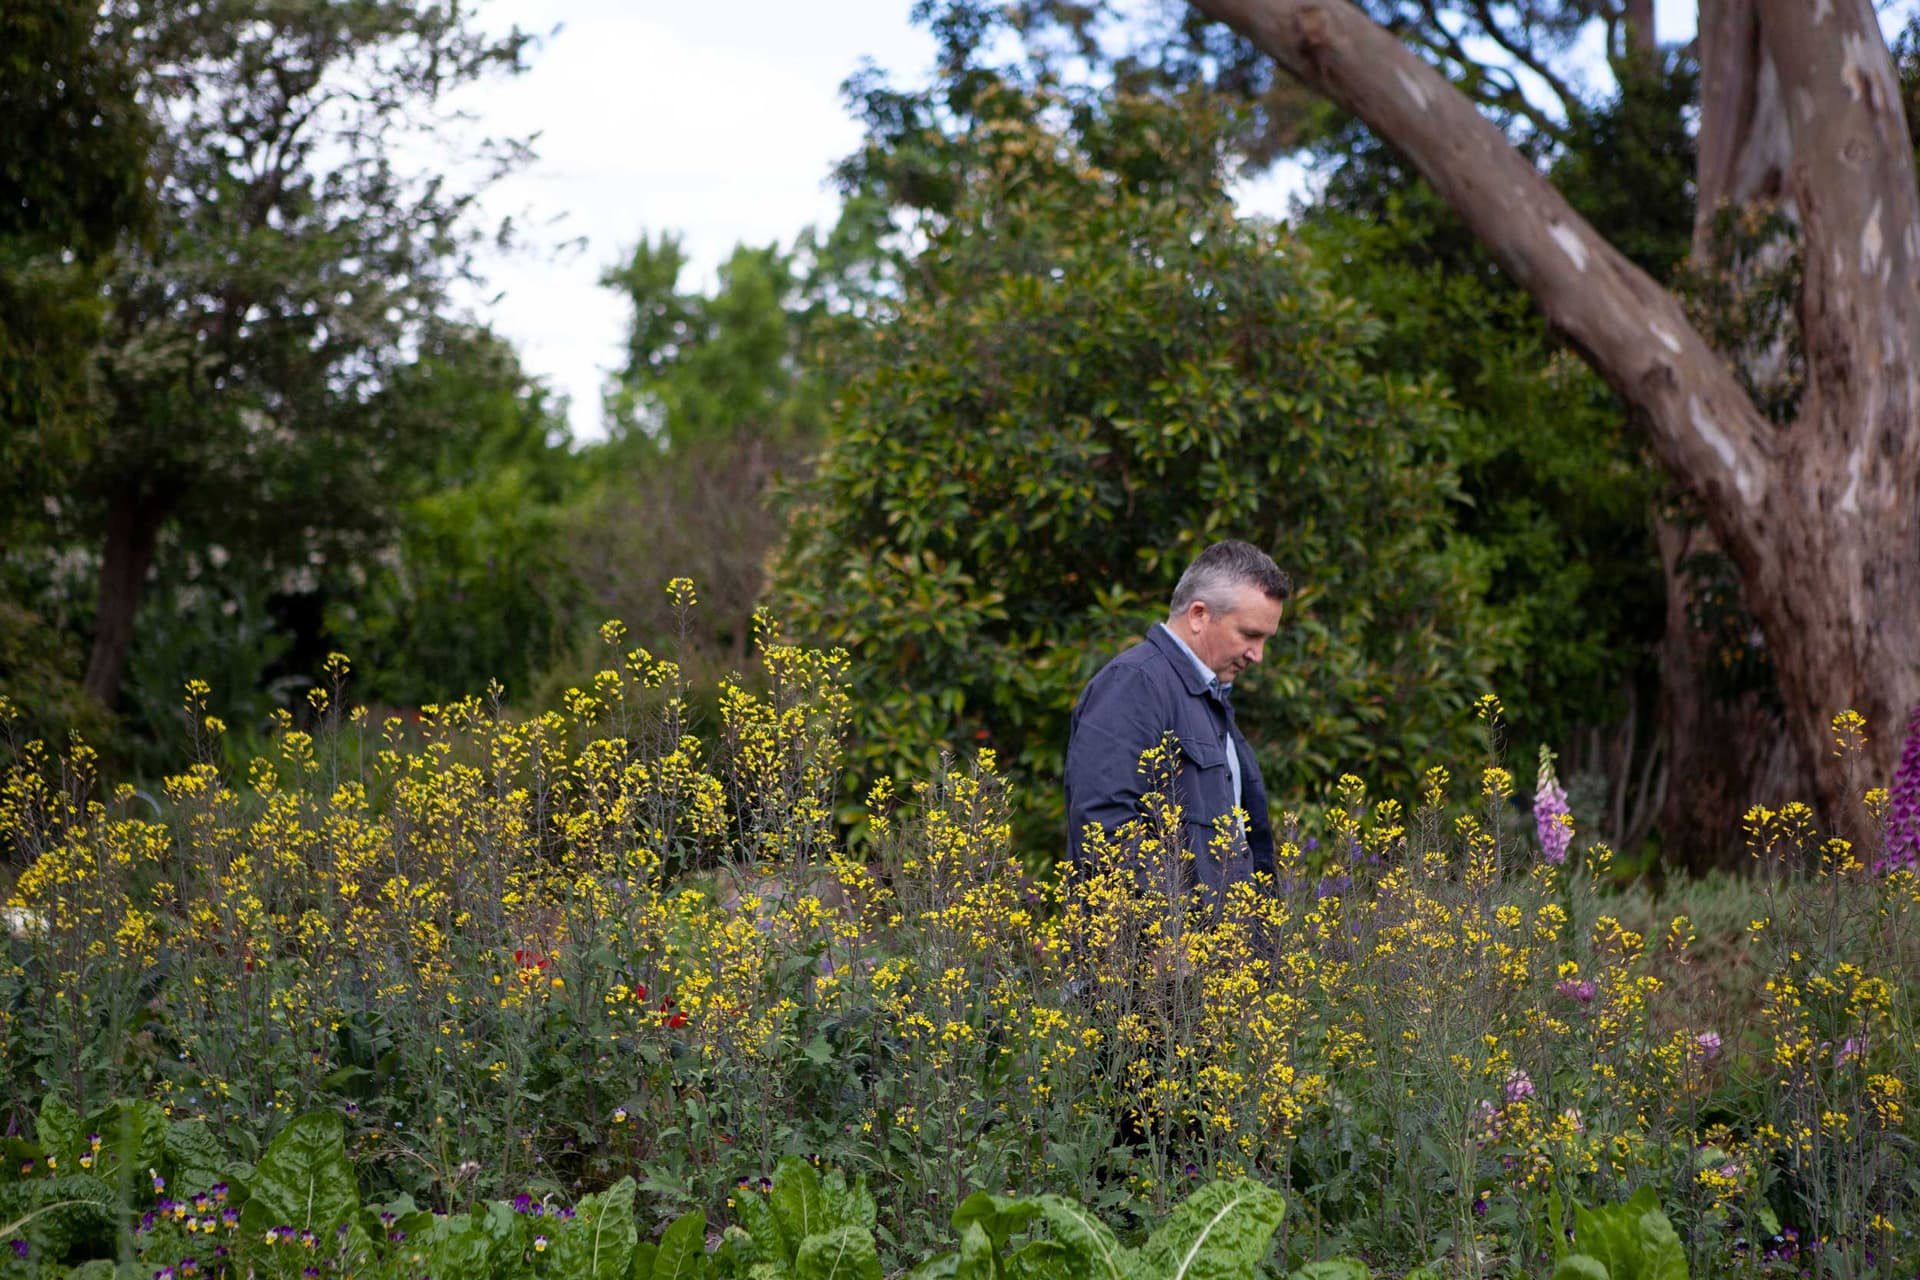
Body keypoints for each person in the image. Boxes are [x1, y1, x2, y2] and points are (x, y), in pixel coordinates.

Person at [1064, 540, 1292, 897]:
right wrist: (1177, 935)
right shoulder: (1135, 683)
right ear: (1199, 615)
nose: (1257, 655)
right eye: (1249, 635)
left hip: (1213, 950)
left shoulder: (1208, 700)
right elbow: (1103, 826)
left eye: (1265, 639)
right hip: (1155, 950)